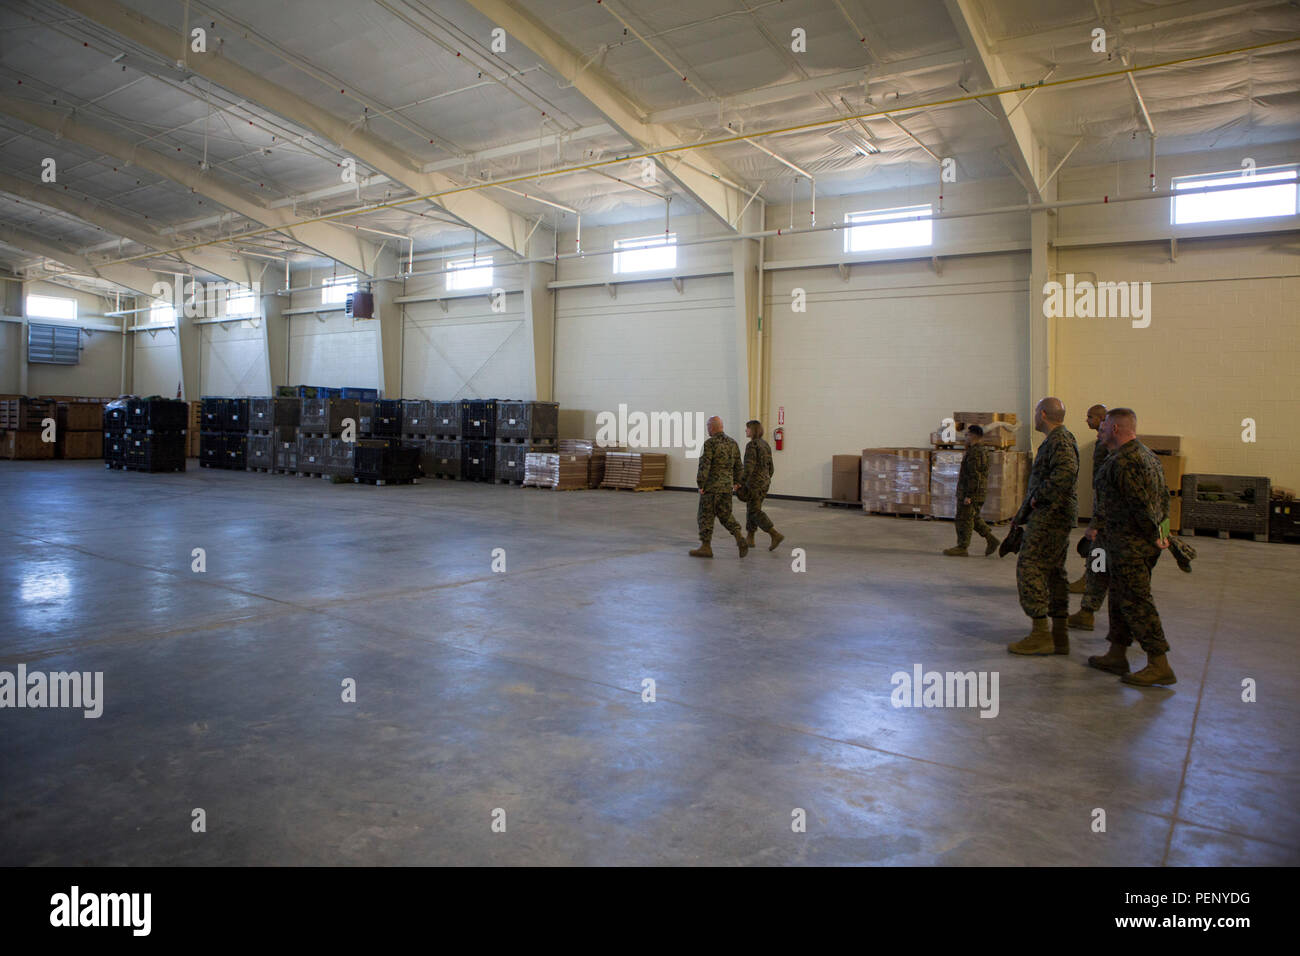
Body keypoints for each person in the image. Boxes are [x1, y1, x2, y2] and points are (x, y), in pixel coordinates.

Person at [1086, 408, 1176, 687]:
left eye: (1103, 428)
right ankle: (1116, 653)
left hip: (1131, 545)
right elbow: (1164, 501)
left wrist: (1154, 537)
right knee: (1120, 599)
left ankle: (1159, 663)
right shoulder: (1149, 456)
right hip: (1132, 544)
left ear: (1114, 429)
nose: (1099, 433)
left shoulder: (1124, 461)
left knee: (1136, 602)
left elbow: (1142, 507)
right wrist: (1161, 536)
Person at [1007, 397, 1079, 656]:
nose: (1034, 417)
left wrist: (1040, 496)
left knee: (1030, 567)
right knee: (1053, 572)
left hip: (1050, 516)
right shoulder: (1059, 439)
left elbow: (1066, 472)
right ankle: (1059, 635)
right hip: (1053, 515)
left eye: (1036, 412)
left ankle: (1040, 634)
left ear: (1044, 414)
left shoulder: (1059, 440)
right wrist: (1023, 512)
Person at [1068, 404, 1110, 630]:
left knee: (1101, 557)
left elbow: (1108, 483)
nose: (1087, 420)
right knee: (1099, 558)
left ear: (1104, 419)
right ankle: (1088, 598)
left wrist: (1098, 521)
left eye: (1090, 416)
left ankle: (1089, 603)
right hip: (1102, 509)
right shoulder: (1102, 442)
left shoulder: (1109, 446)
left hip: (1106, 516)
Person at [690, 416, 748, 559]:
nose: (707, 429)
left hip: (711, 488)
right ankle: (740, 537)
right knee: (725, 515)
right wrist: (737, 482)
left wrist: (701, 484)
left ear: (712, 427)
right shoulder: (733, 443)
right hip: (726, 488)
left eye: (708, 426)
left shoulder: (710, 444)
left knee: (705, 516)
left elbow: (704, 466)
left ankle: (706, 547)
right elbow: (739, 466)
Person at [943, 424, 1000, 556]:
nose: (965, 437)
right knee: (971, 517)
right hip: (970, 491)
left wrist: (969, 495)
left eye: (967, 435)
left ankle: (962, 547)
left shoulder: (977, 452)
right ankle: (991, 539)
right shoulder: (975, 450)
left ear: (974, 435)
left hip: (971, 493)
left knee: (964, 520)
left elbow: (975, 475)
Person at [739, 420, 784, 551]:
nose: (745, 431)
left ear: (752, 430)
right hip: (764, 482)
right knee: (752, 507)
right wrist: (766, 478)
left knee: (754, 511)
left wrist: (740, 482)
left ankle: (774, 534)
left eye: (747, 429)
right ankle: (750, 538)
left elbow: (748, 468)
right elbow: (771, 468)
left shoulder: (751, 445)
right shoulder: (766, 445)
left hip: (754, 484)